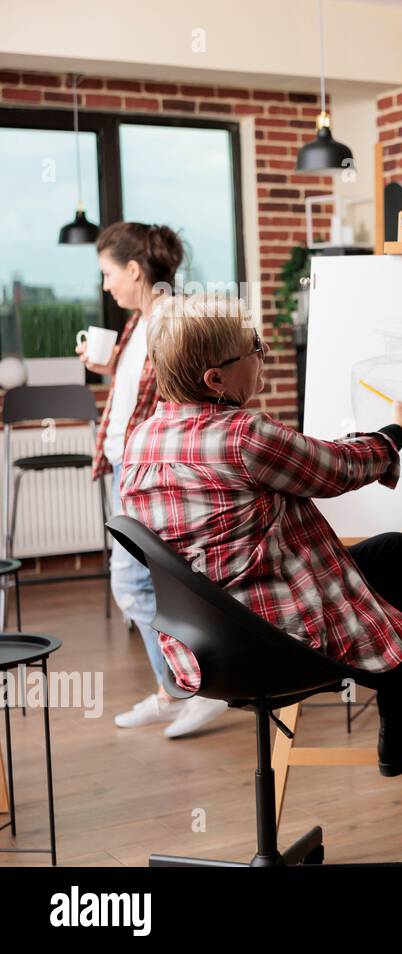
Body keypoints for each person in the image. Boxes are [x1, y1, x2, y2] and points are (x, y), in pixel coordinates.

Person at [120, 293, 402, 865]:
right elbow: (338, 467)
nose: (262, 357)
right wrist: (396, 431)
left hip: (205, 640)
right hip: (276, 642)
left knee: (393, 553)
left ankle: (399, 728)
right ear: (216, 377)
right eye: (253, 351)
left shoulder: (141, 439)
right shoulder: (242, 435)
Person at [84, 222, 229, 738]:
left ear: (134, 269)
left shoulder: (171, 319)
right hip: (130, 465)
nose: (106, 286)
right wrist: (106, 370)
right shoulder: (141, 321)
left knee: (135, 582)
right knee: (150, 582)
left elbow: (185, 393)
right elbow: (142, 391)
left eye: (108, 273)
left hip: (151, 470)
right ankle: (179, 689)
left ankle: (193, 688)